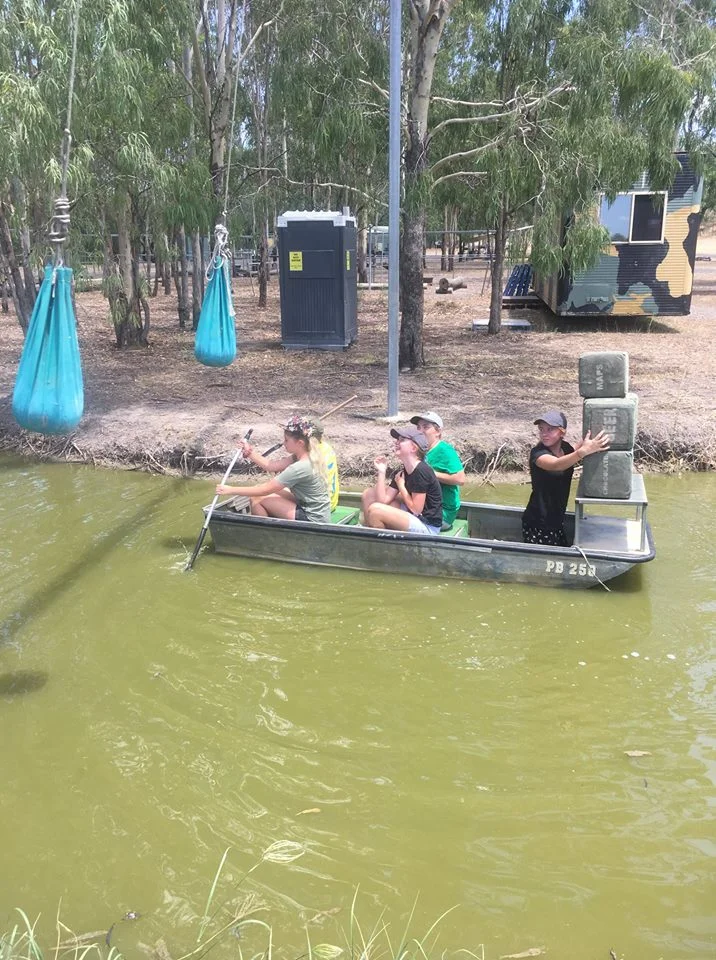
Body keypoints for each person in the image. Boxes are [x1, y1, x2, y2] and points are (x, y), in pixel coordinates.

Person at [216, 415, 331, 523]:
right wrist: (249, 452)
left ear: (300, 443)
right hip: (316, 510)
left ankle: (265, 535)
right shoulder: (308, 455)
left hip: (312, 518)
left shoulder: (299, 467)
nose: (283, 443)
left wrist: (230, 490)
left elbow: (264, 490)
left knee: (257, 499)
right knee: (258, 489)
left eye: (286, 440)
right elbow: (270, 466)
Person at [522, 410, 610, 546]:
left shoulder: (566, 448)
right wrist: (583, 451)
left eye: (550, 429)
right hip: (538, 522)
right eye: (541, 429)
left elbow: (571, 454)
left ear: (562, 432)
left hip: (556, 520)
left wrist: (591, 440)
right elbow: (557, 465)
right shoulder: (538, 453)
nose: (544, 434)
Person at [362, 427, 443, 534]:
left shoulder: (421, 471)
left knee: (376, 510)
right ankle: (370, 534)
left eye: (402, 440)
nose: (397, 442)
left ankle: (378, 544)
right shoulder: (402, 472)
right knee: (369, 494)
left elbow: (416, 510)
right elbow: (383, 500)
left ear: (414, 448)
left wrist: (401, 486)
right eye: (397, 439)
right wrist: (382, 471)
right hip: (413, 516)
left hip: (427, 526)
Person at [410, 411, 465, 529]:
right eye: (418, 427)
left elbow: (460, 479)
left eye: (426, 427)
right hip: (423, 506)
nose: (421, 431)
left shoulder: (445, 450)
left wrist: (430, 474)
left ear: (438, 431)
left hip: (441, 514)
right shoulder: (419, 451)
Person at [312, 420, 340, 511]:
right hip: (331, 502)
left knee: (268, 498)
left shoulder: (310, 456)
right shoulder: (326, 447)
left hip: (321, 507)